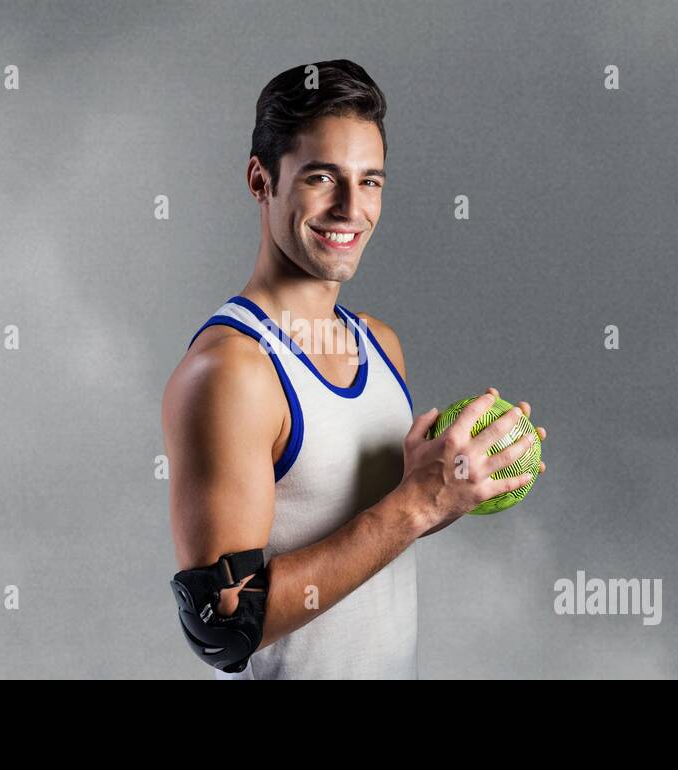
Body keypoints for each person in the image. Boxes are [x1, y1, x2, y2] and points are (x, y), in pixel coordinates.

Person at [161, 59, 548, 679]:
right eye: (322, 177)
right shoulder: (232, 371)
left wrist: (456, 487)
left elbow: (372, 534)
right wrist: (418, 503)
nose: (350, 209)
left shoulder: (379, 345)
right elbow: (223, 624)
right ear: (261, 180)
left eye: (370, 182)